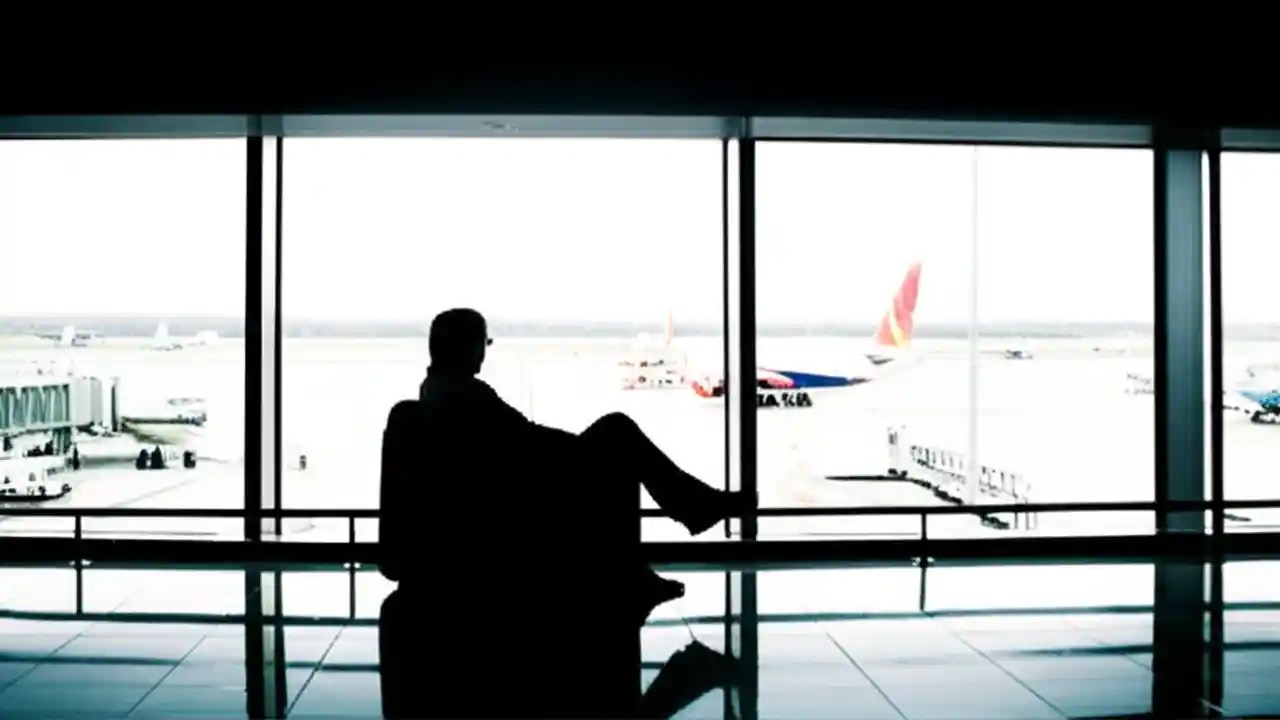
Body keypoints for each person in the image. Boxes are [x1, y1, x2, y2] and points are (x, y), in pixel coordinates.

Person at [410, 308, 752, 608]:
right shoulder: (466, 394)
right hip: (523, 492)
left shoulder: (440, 391)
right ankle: (688, 515)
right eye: (484, 342)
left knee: (617, 442)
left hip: (513, 486)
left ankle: (661, 545)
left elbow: (515, 440)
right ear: (466, 345)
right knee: (618, 433)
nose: (484, 351)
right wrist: (576, 448)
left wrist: (575, 448)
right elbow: (524, 438)